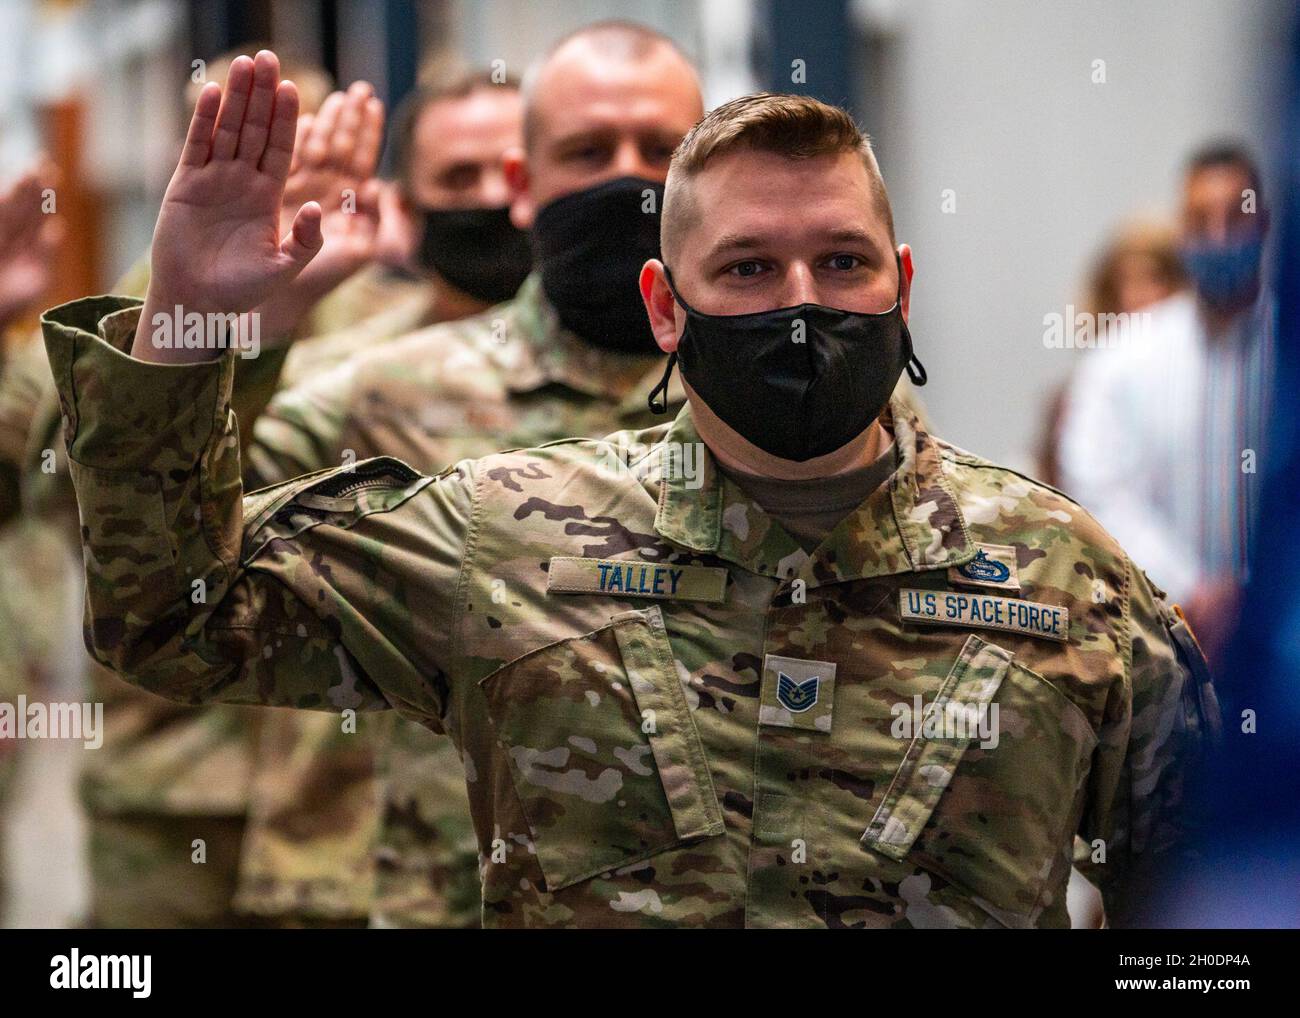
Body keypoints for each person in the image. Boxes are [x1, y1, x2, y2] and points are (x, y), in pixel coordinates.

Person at [43, 59, 1214, 927]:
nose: (798, 303)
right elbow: (174, 620)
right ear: (667, 306)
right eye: (747, 268)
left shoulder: (1064, 579)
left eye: (841, 263)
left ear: (899, 286)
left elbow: (1211, 899)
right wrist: (187, 324)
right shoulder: (500, 534)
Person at [243, 21, 702, 928]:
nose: (626, 178)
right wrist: (233, 325)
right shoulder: (390, 386)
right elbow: (161, 537)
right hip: (441, 890)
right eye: (588, 150)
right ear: (531, 185)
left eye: (658, 150)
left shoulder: (762, 385)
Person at [1058, 143, 1274, 669]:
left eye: (1236, 217)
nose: (1220, 237)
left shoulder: (1284, 351)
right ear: (1183, 229)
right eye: (1203, 220)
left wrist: (1254, 592)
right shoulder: (1124, 358)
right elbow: (1097, 487)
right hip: (1160, 635)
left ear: (1265, 222)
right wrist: (1192, 591)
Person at [1036, 219, 1186, 488]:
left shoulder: (1214, 384)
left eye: (1154, 278)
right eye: (1123, 282)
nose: (1135, 295)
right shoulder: (1071, 401)